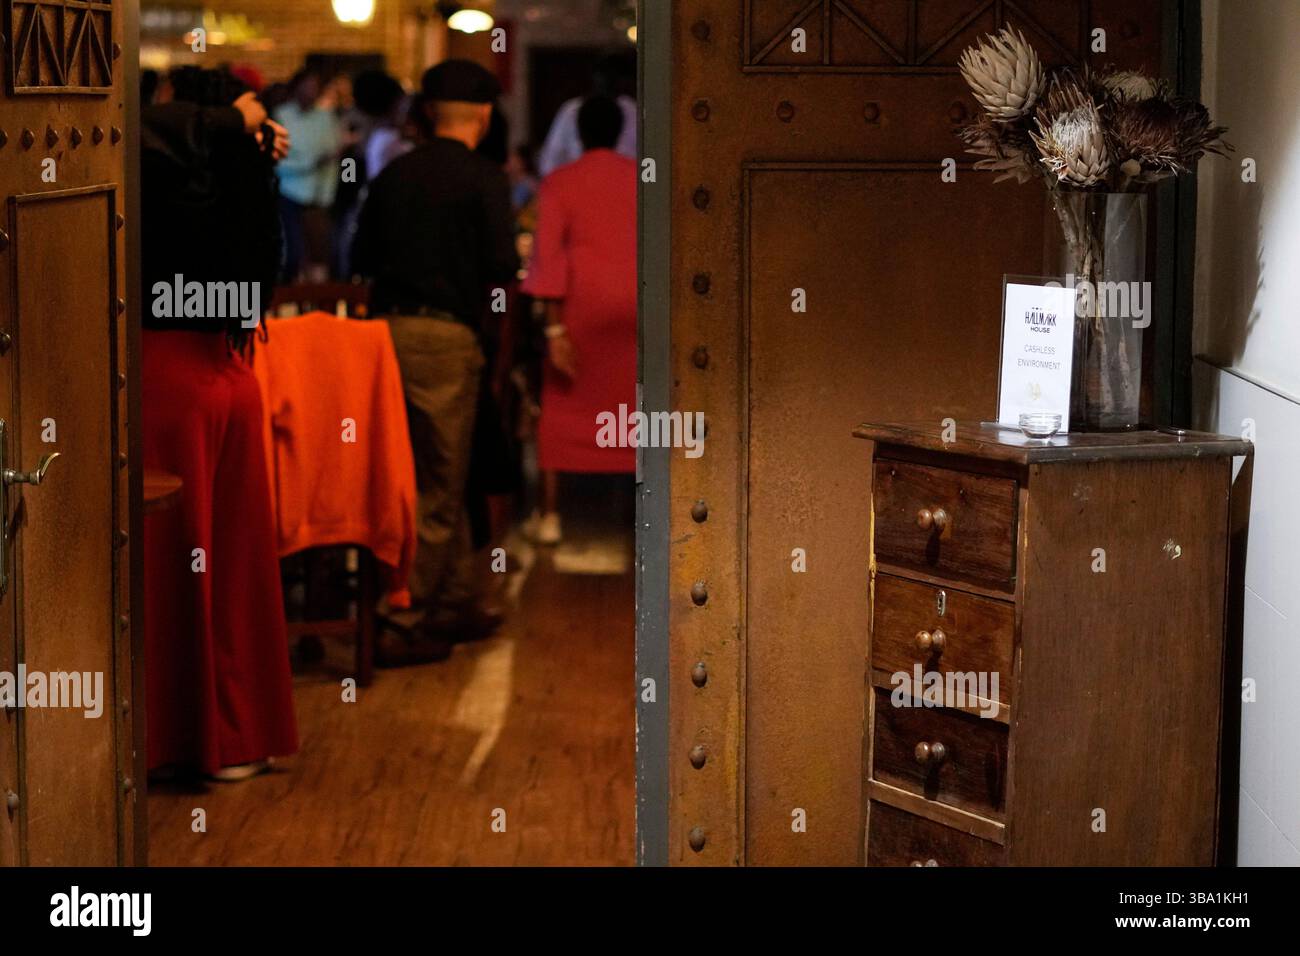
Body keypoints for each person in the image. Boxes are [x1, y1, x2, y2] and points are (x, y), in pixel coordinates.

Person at [141, 67, 297, 782]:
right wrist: (246, 130)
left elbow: (160, 129)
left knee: (176, 564)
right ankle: (240, 736)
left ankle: (180, 739)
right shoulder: (243, 179)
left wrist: (236, 120)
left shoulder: (159, 169)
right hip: (231, 374)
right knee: (229, 563)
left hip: (164, 376)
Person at [351, 60, 520, 664]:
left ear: (426, 112)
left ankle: (452, 601)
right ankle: (406, 617)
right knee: (441, 483)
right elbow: (503, 264)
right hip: (445, 338)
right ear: (482, 115)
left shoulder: (394, 174)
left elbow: (361, 253)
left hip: (382, 334)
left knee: (396, 474)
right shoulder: (485, 179)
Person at [522, 96, 638, 543]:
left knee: (564, 401)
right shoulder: (640, 179)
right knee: (631, 402)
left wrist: (553, 328)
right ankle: (636, 511)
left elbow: (548, 256)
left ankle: (550, 515)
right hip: (635, 305)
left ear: (579, 133)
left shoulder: (559, 181)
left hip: (581, 306)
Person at [274, 69, 342, 281]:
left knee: (320, 254)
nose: (311, 91)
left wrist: (330, 193)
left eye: (315, 87)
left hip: (319, 196)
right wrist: (311, 162)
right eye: (307, 86)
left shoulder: (326, 118)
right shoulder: (281, 115)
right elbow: (279, 161)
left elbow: (336, 158)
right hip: (289, 192)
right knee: (293, 253)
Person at [536, 51, 637, 177]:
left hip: (623, 184)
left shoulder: (632, 111)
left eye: (616, 77)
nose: (610, 82)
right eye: (605, 76)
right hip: (579, 183)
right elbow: (550, 161)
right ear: (595, 77)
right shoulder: (571, 111)